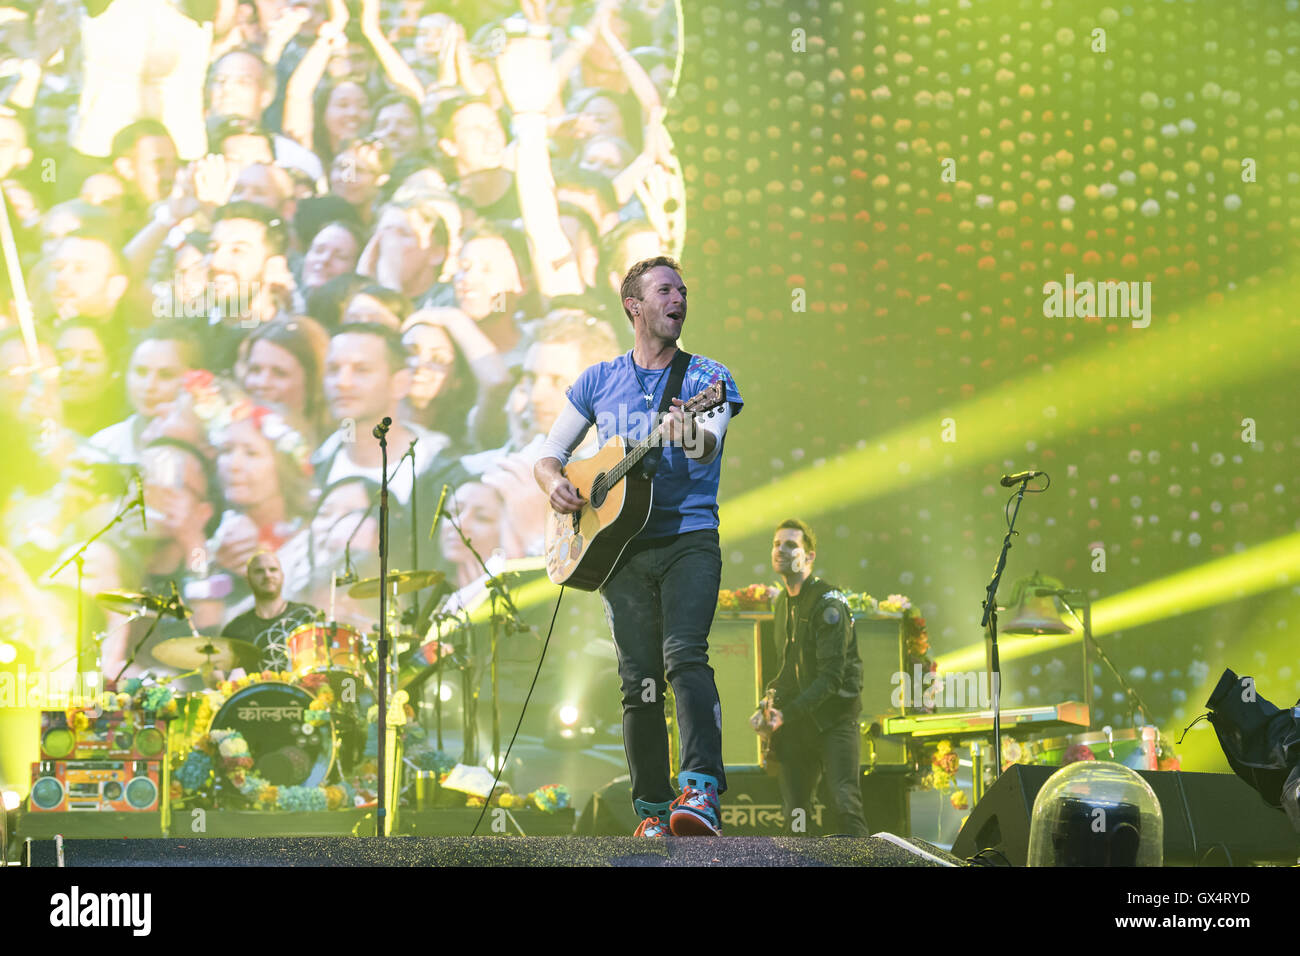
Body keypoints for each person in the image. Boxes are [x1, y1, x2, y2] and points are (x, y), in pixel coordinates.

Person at [533, 256, 742, 837]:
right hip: (621, 550)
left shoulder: (706, 379)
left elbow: (707, 446)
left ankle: (699, 790)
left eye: (682, 289)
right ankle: (651, 811)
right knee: (638, 681)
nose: (679, 298)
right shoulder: (596, 380)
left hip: (688, 540)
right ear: (634, 306)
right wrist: (557, 487)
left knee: (684, 657)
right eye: (665, 290)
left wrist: (688, 432)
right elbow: (549, 458)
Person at [763, 518, 870, 837]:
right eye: (776, 543)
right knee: (796, 812)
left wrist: (786, 713)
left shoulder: (829, 603)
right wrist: (768, 702)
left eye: (791, 545)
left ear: (809, 557)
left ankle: (861, 858)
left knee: (844, 802)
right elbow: (787, 669)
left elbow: (832, 678)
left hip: (834, 720)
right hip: (799, 724)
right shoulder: (783, 604)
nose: (781, 550)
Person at [222, 550, 317, 670]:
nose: (267, 575)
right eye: (259, 571)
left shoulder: (307, 615)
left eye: (273, 569)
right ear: (248, 580)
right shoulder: (235, 630)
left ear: (282, 576)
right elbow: (225, 680)